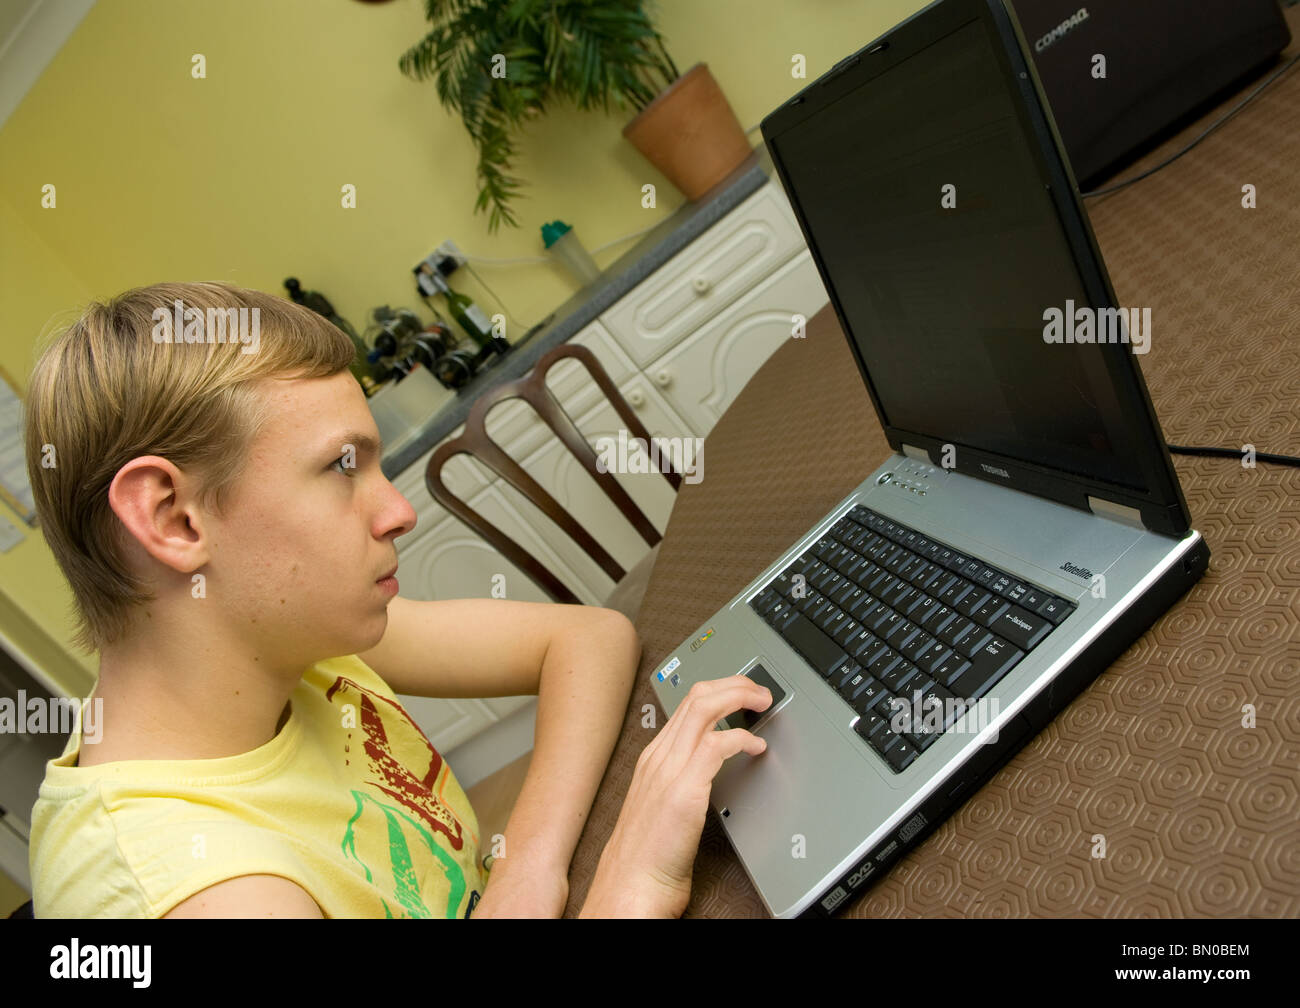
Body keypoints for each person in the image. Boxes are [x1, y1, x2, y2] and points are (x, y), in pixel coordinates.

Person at [24, 281, 771, 919]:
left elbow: (591, 639)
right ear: (173, 519)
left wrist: (525, 868)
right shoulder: (198, 886)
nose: (398, 511)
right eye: (342, 467)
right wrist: (623, 890)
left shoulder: (289, 643)